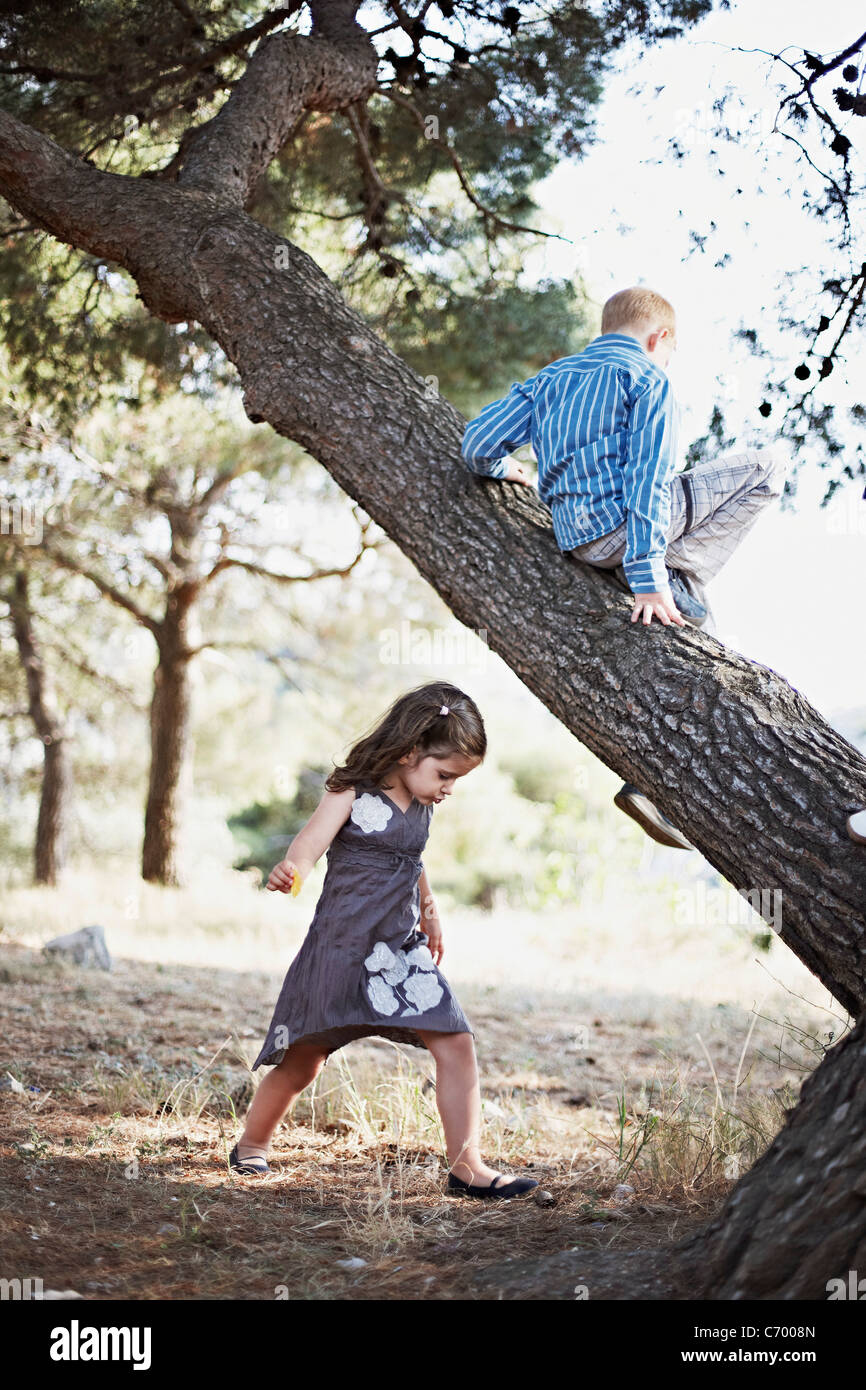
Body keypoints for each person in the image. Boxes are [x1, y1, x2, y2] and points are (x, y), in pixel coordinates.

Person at [460, 285, 786, 851]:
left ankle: (682, 588)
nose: (666, 360)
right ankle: (679, 580)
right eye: (669, 351)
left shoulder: (550, 381)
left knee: (696, 601)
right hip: (627, 534)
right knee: (768, 464)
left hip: (576, 539)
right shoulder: (647, 379)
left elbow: (476, 443)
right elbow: (649, 481)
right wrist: (647, 576)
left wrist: (506, 468)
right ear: (659, 338)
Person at [229, 681, 538, 1202]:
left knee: (456, 1042)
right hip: (342, 948)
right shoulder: (352, 791)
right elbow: (310, 842)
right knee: (303, 1060)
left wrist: (432, 912)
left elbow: (412, 861)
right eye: (444, 775)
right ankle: (251, 1145)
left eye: (456, 780)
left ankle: (467, 1167)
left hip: (399, 951)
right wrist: (293, 871)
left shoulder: (422, 804)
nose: (447, 789)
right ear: (407, 752)